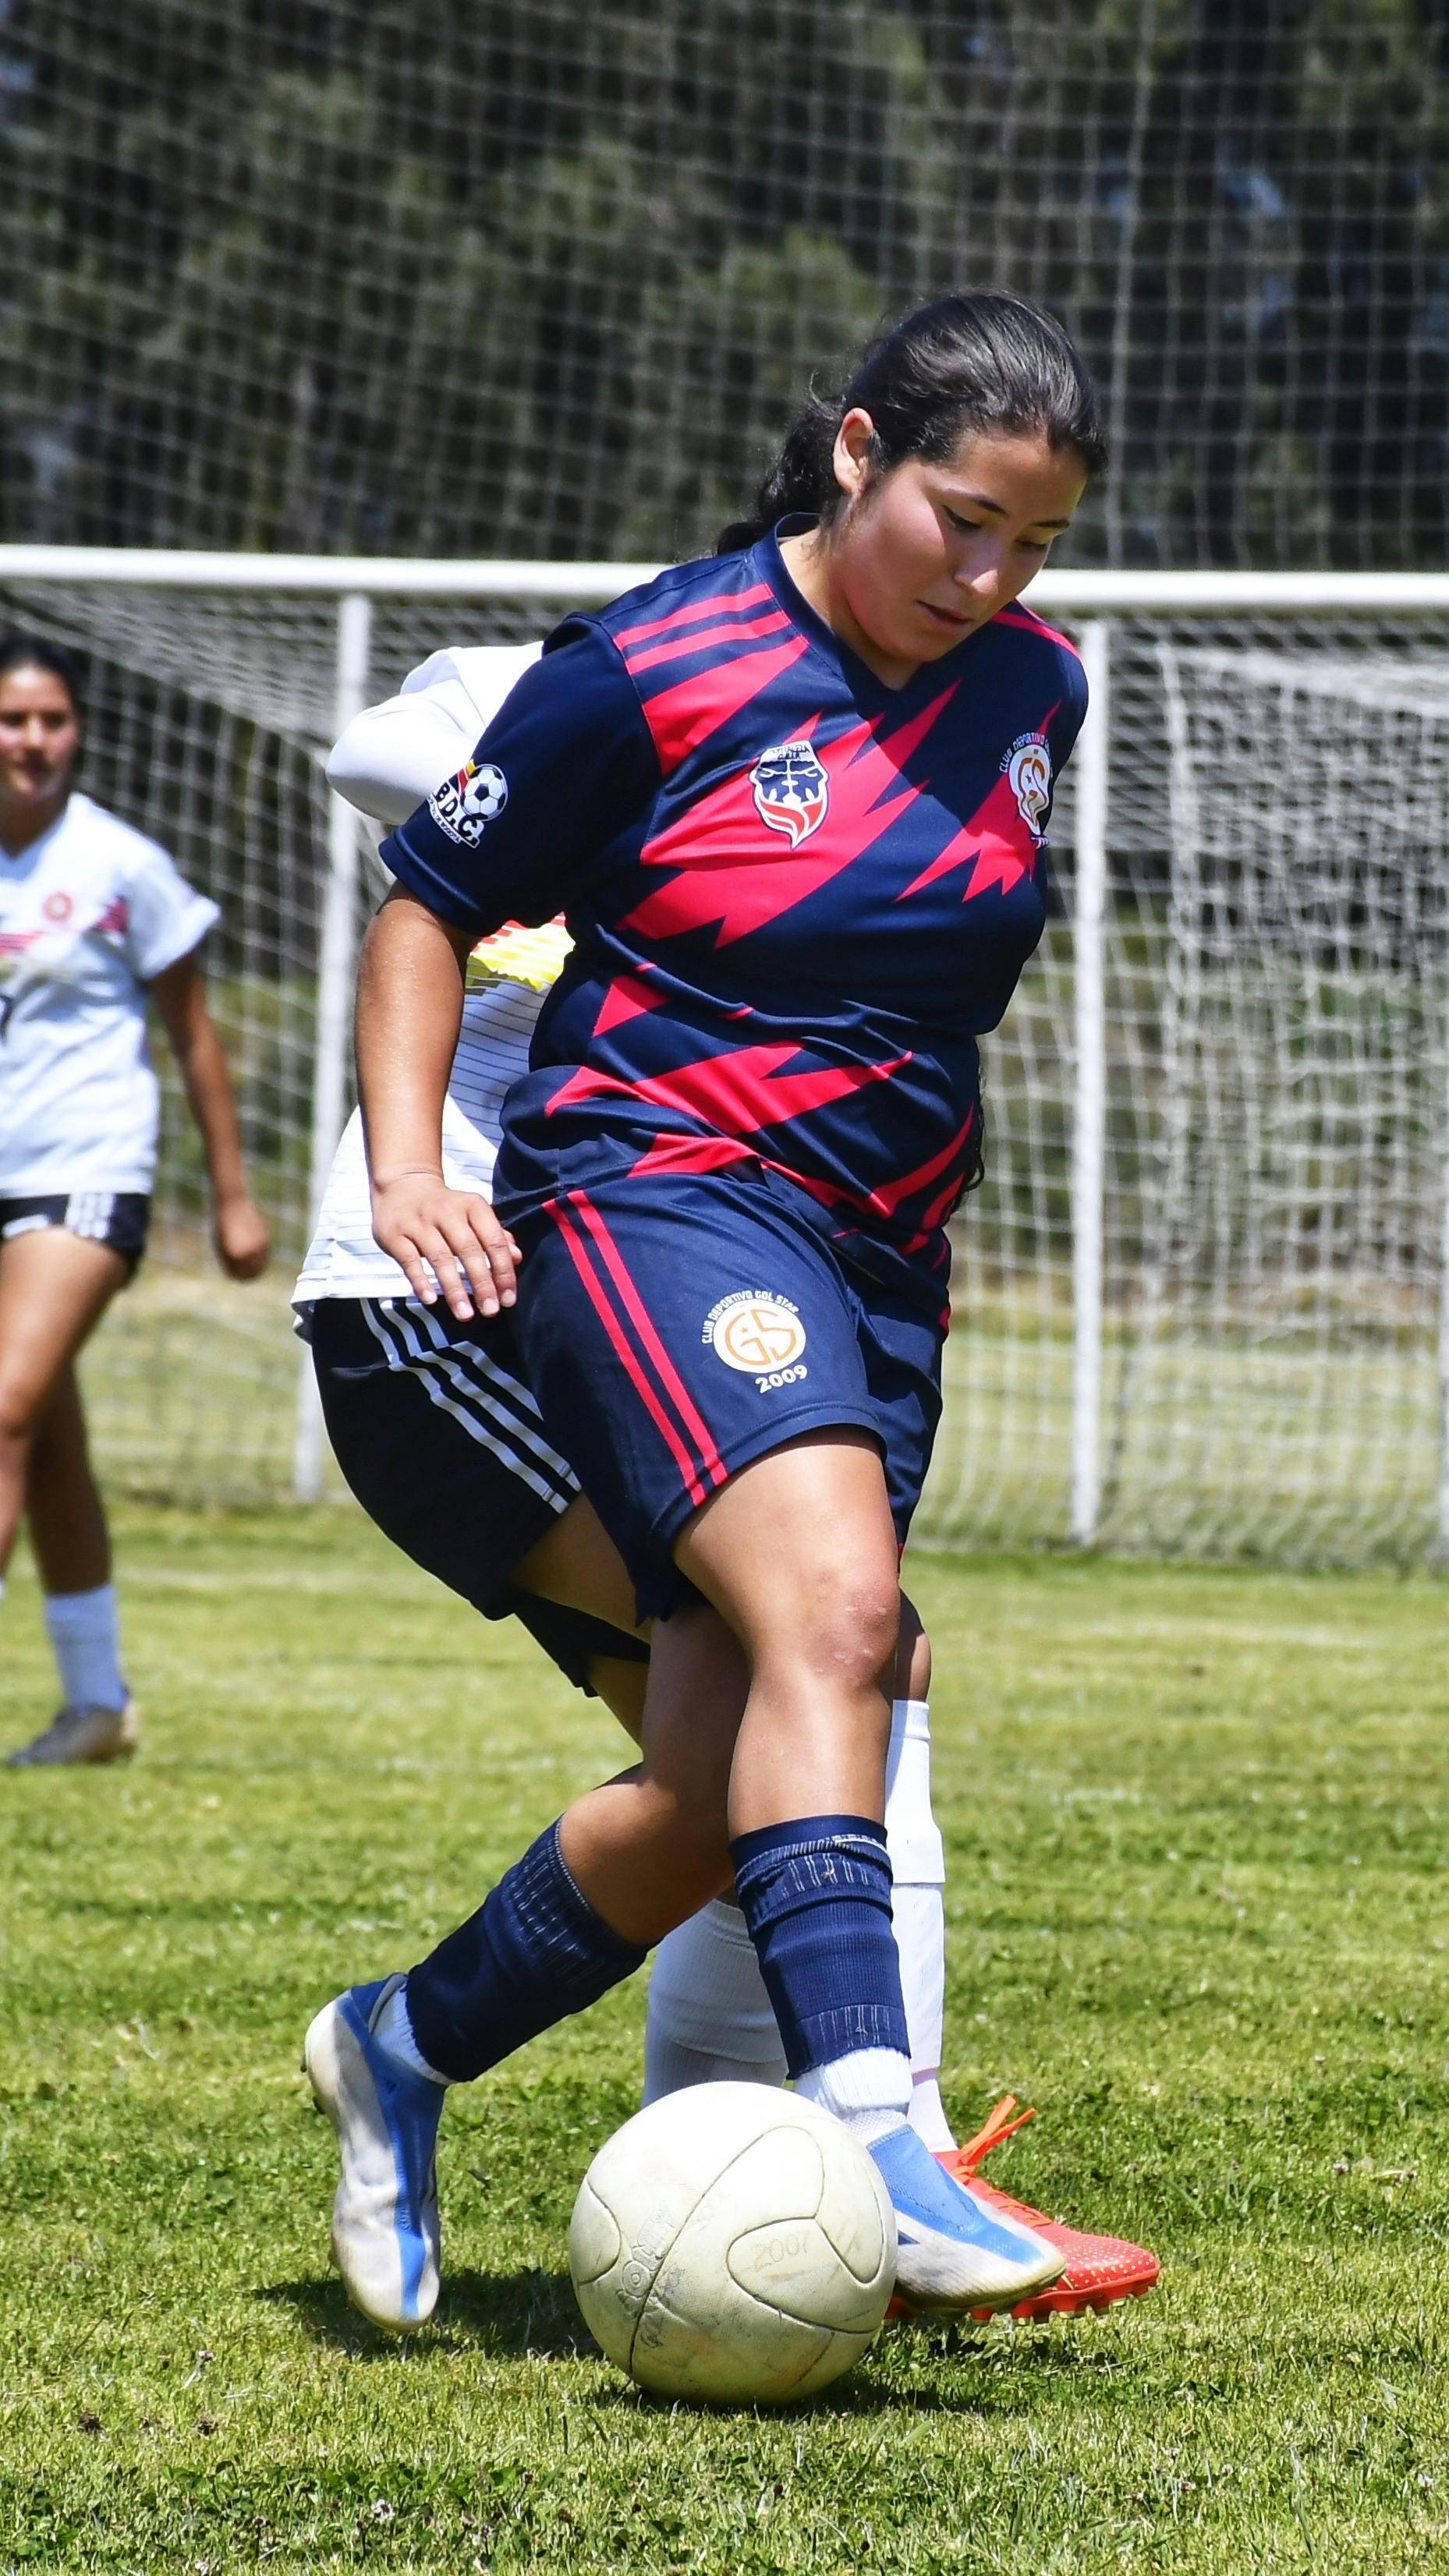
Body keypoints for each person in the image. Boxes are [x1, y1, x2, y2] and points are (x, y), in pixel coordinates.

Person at [307, 289, 1151, 2325]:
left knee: (713, 1778)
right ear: (857, 453)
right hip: (657, 1191)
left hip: (883, 1257)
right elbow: (427, 897)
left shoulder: (1036, 691)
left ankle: (395, 2051)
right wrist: (416, 1173)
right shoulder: (653, 665)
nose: (991, 574)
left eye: (1033, 541)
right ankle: (883, 2145)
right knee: (844, 1630)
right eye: (959, 518)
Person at [0, 634, 270, 1764]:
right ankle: (98, 1702)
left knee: (3, 1408)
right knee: (45, 1436)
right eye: (14, 722)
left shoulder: (119, 863)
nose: (34, 742)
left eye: (52, 720)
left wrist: (233, 1196)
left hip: (89, 1167)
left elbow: (194, 1036)